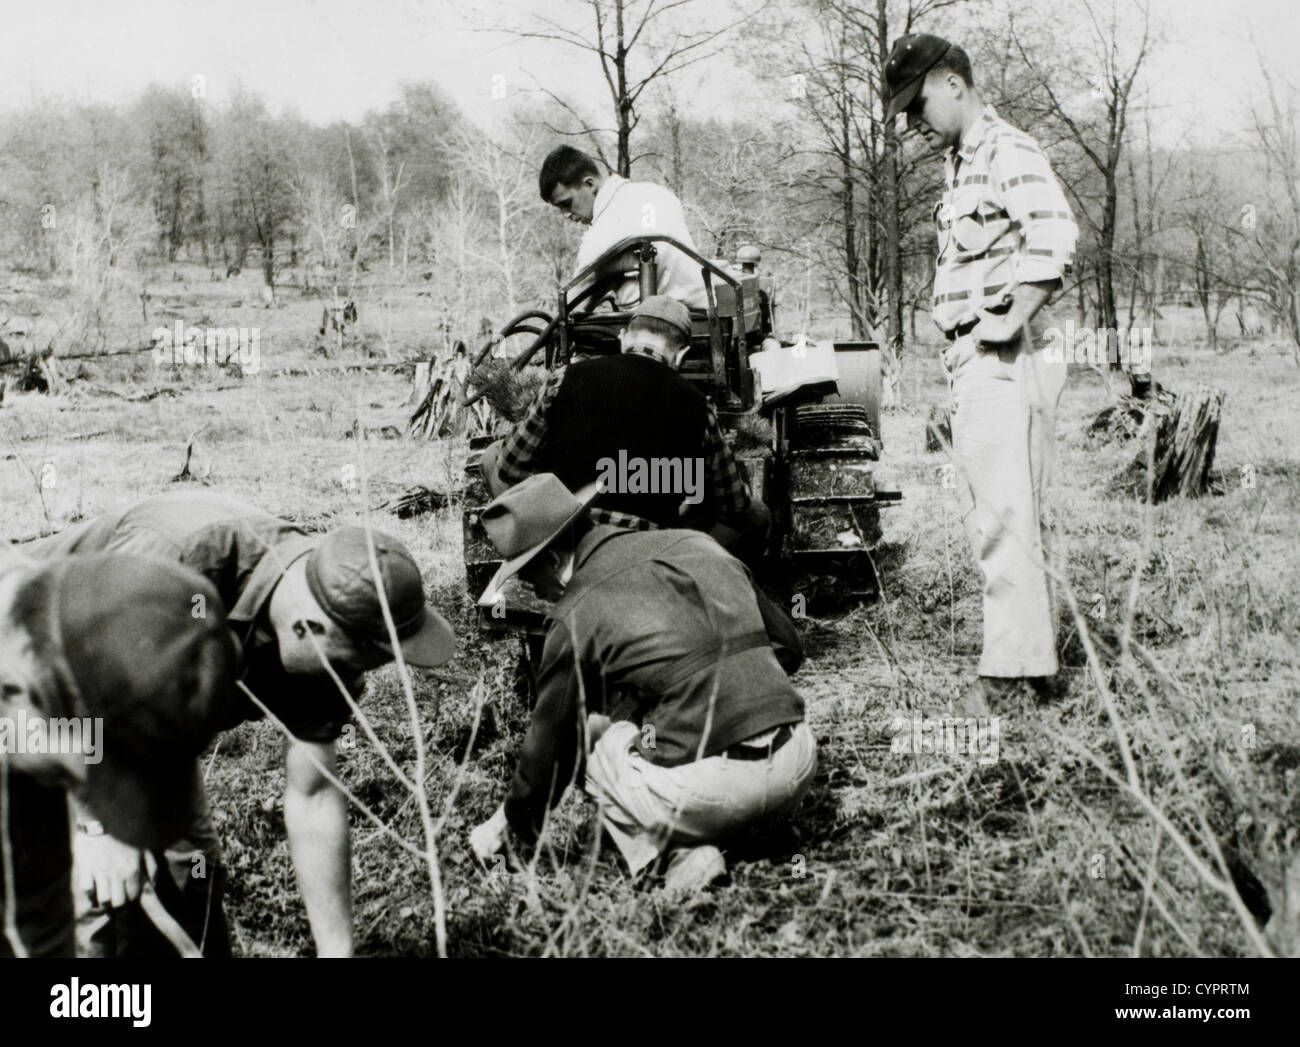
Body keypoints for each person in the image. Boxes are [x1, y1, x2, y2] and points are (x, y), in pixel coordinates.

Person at [21, 490, 456, 957]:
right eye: (367, 658)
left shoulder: (333, 631)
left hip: (140, 717)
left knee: (190, 871)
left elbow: (312, 796)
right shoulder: (177, 565)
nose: (361, 676)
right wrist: (97, 828)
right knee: (94, 903)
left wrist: (337, 952)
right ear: (309, 630)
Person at [467, 474, 816, 893]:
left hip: (711, 793)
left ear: (556, 562)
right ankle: (749, 831)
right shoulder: (697, 543)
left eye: (530, 575)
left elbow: (555, 746)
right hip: (798, 761)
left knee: (594, 735)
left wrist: (510, 824)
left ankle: (676, 858)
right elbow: (789, 647)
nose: (535, 590)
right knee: (651, 729)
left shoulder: (576, 613)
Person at [885, 34, 1078, 713]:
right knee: (1006, 512)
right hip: (978, 356)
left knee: (1002, 518)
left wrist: (1006, 319)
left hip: (1005, 354)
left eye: (918, 103)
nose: (912, 122)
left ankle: (1011, 678)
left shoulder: (1006, 149)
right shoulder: (963, 163)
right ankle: (1035, 661)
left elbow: (1056, 238)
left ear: (953, 82)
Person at [0, 545, 237, 957]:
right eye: (79, 781)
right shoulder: (30, 688)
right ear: (17, 685)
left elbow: (37, 907)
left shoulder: (46, 629)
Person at [478, 294, 771, 563]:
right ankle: (698, 581)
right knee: (757, 516)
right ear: (681, 355)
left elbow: (510, 467)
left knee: (492, 455)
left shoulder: (565, 377)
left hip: (568, 544)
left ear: (622, 338)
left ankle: (534, 561)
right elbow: (735, 504)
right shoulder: (698, 405)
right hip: (649, 552)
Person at [539, 144, 708, 310]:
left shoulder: (601, 234)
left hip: (661, 326)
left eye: (566, 203)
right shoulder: (657, 192)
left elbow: (572, 306)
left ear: (589, 184)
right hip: (706, 308)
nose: (566, 214)